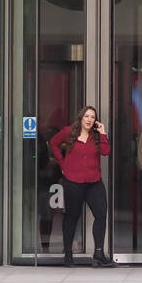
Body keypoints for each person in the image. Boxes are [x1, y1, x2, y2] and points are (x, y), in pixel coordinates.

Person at [49, 105, 115, 267]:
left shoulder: (97, 136)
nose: (89, 120)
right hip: (73, 182)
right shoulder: (69, 132)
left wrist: (103, 133)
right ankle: (68, 254)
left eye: (92, 117)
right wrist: (63, 164)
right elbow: (53, 143)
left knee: (101, 214)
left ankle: (98, 253)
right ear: (81, 117)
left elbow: (106, 152)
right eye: (87, 116)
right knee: (72, 217)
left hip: (94, 182)